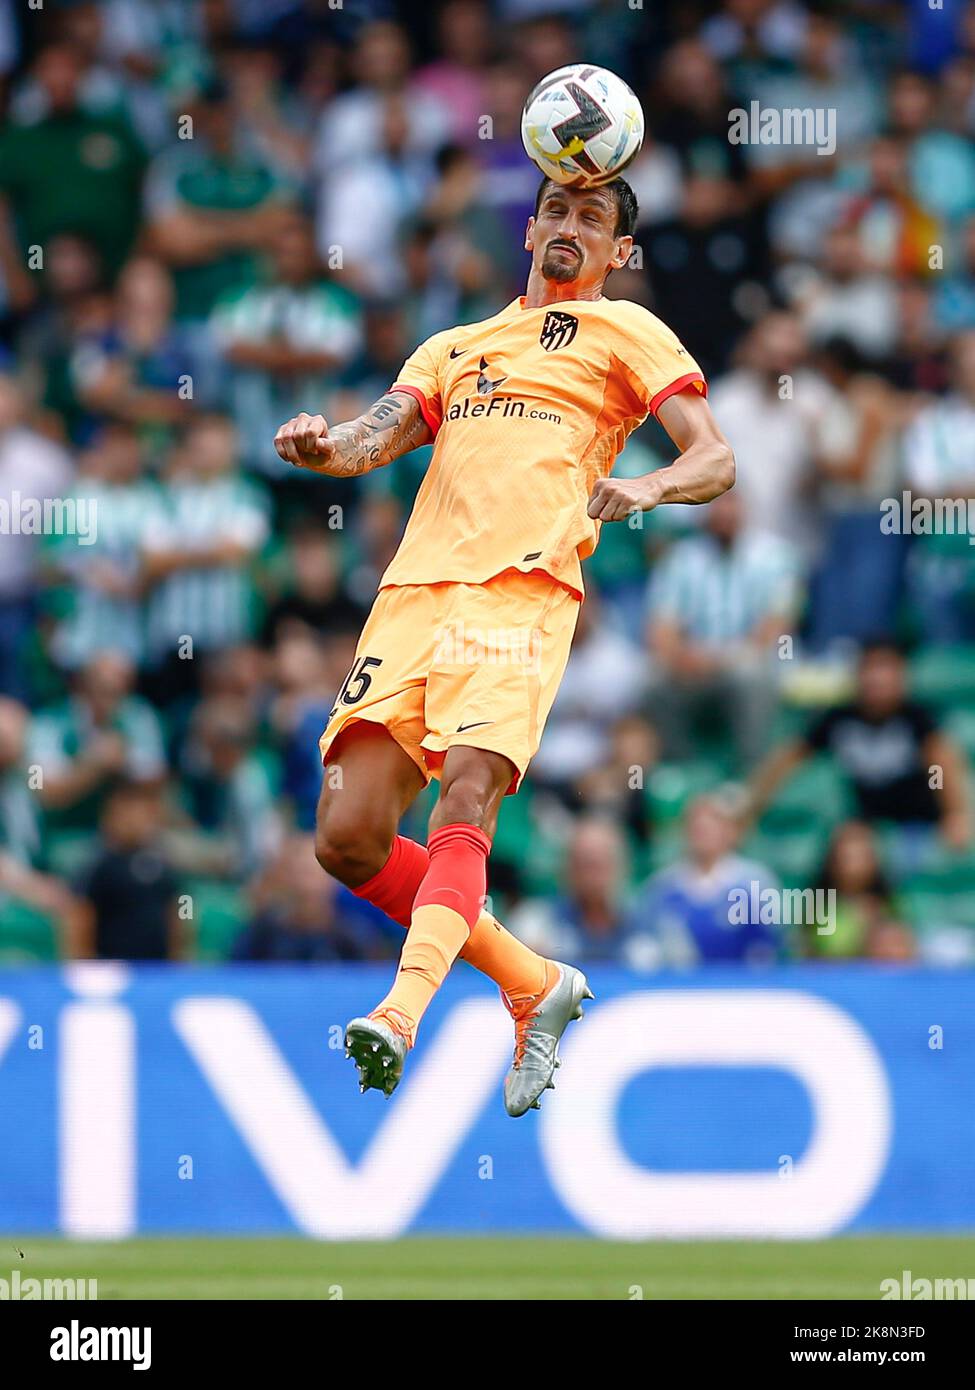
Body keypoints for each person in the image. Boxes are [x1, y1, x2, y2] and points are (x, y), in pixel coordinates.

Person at [273, 174, 735, 1115]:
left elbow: (715, 458)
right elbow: (370, 439)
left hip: (521, 589)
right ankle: (530, 982)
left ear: (619, 252)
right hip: (412, 594)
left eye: (593, 219)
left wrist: (646, 489)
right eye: (557, 212)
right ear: (527, 228)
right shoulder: (454, 345)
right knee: (347, 839)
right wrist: (325, 447)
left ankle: (399, 1015)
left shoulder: (627, 332)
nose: (570, 228)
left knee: (469, 790)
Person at [747, 642, 972, 852]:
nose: (876, 680)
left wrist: (954, 813)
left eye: (885, 670)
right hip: (866, 823)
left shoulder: (916, 718)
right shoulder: (839, 719)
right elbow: (789, 758)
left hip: (919, 822)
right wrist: (752, 806)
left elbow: (942, 764)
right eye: (869, 669)